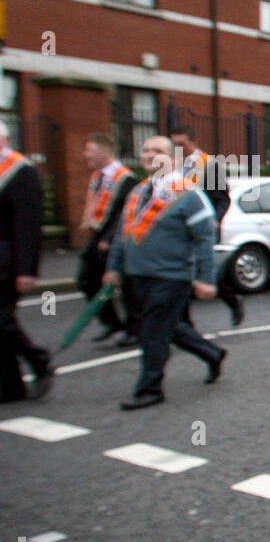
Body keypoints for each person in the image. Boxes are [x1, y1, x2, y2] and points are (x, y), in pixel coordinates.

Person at [103, 135, 225, 410]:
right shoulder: (137, 192)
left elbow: (204, 239)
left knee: (153, 331)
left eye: (157, 151)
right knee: (169, 326)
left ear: (173, 160)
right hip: (137, 275)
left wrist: (206, 279)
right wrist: (113, 267)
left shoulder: (189, 194)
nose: (149, 155)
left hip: (172, 277)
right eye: (145, 150)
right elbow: (123, 234)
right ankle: (212, 353)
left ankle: (150, 388)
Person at [0, 123, 53, 403]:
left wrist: (27, 270)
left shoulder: (21, 172)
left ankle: (38, 360)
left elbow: (28, 226)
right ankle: (11, 385)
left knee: (2, 321)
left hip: (8, 262)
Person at [170, 126, 243, 327]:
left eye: (181, 144)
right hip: (179, 229)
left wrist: (215, 219)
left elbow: (223, 199)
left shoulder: (209, 165)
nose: (177, 148)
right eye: (174, 144)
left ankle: (233, 302)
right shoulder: (173, 167)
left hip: (202, 228)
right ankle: (185, 325)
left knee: (207, 273)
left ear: (192, 142)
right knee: (183, 275)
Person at [78, 133, 140, 342]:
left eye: (90, 150)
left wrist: (109, 237)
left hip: (115, 238)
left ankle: (134, 328)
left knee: (125, 284)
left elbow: (126, 212)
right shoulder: (98, 176)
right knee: (87, 280)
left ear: (104, 152)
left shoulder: (125, 178)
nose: (85, 154)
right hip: (98, 234)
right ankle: (112, 323)